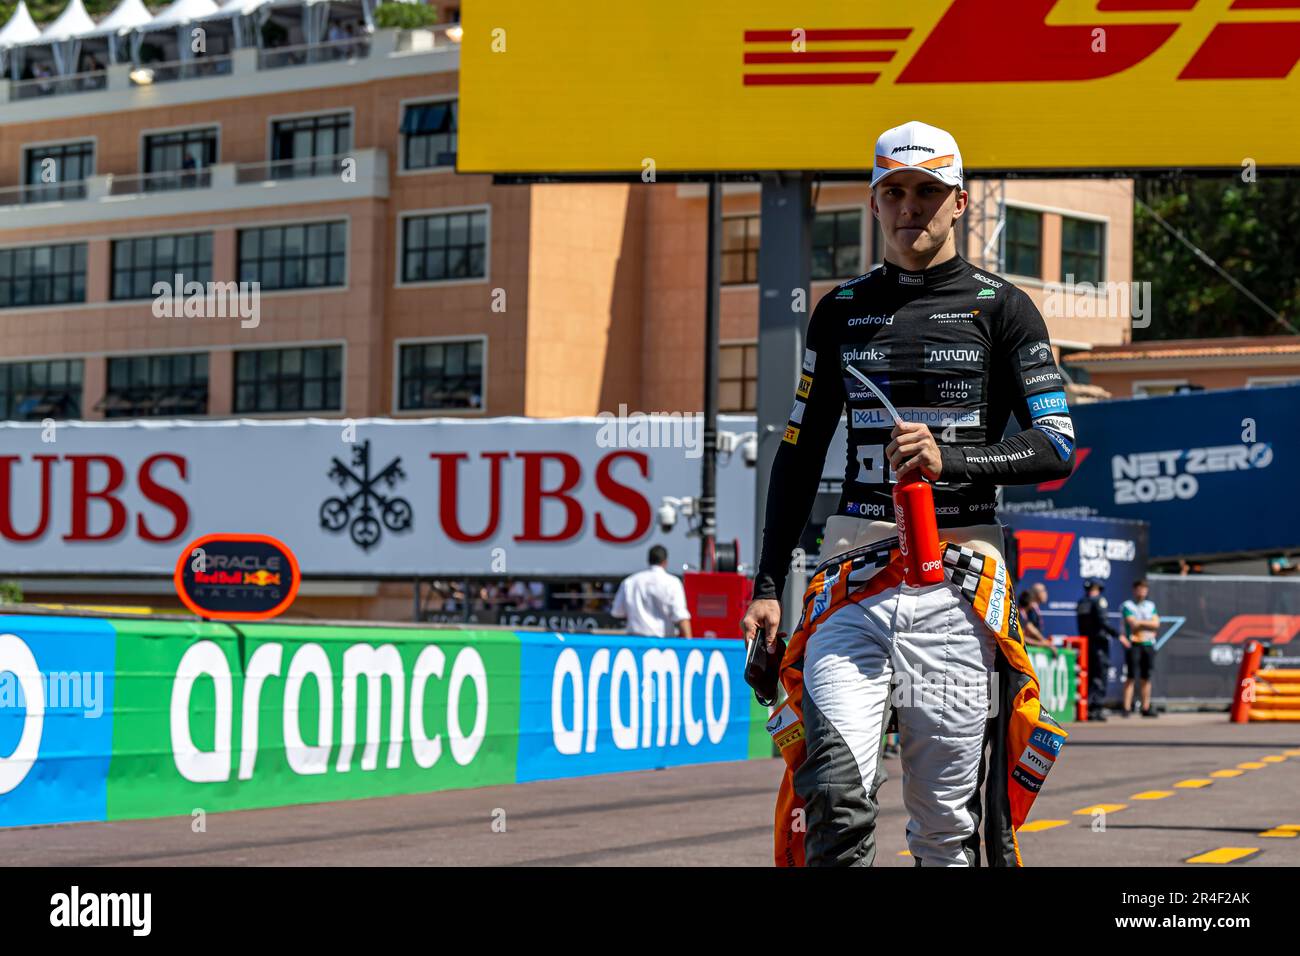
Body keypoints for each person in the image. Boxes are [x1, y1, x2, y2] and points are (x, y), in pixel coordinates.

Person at [740, 120, 1075, 866]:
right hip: (848, 579)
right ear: (874, 204)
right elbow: (797, 453)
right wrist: (766, 582)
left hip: (959, 588)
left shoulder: (1006, 307)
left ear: (960, 202)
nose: (910, 208)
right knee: (831, 787)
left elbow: (1057, 445)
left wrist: (952, 457)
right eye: (894, 192)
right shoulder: (839, 310)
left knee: (946, 831)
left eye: (927, 192)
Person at [611, 545, 692, 638]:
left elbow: (617, 612)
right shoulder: (672, 583)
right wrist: (689, 646)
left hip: (634, 644)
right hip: (662, 645)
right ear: (665, 562)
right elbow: (680, 615)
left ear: (648, 561)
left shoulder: (630, 582)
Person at [1076, 580, 1118, 721]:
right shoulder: (1098, 601)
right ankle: (1096, 707)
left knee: (1089, 675)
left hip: (1086, 644)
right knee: (1100, 675)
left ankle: (1086, 706)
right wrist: (1118, 634)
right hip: (1099, 643)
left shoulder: (1082, 602)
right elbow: (1102, 622)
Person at [1121, 579, 1160, 717]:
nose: (1142, 591)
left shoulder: (1150, 605)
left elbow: (1156, 624)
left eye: (1144, 589)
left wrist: (1142, 623)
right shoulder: (1128, 605)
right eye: (1139, 588)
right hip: (1134, 644)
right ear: (1134, 590)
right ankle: (1126, 708)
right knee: (1130, 676)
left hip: (1148, 644)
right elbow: (1133, 624)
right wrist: (1148, 623)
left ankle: (1145, 707)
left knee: (1146, 677)